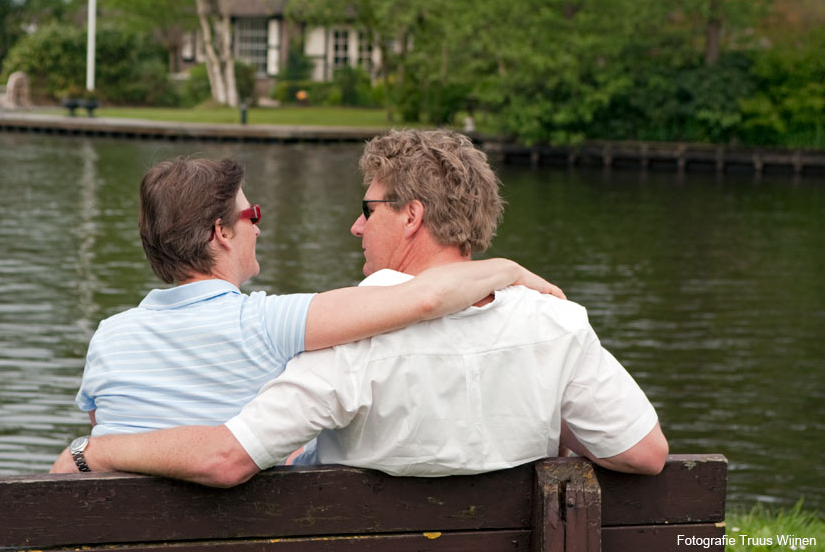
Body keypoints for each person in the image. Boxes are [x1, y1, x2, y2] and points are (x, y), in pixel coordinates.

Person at [53, 132, 667, 483]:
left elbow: (231, 454)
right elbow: (643, 454)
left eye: (367, 209)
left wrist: (97, 452)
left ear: (411, 215)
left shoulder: (351, 336)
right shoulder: (558, 323)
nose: (354, 226)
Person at [69, 156, 561, 441]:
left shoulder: (108, 338)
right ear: (220, 232)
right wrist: (508, 269)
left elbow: (105, 423)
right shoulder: (270, 324)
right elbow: (425, 299)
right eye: (252, 214)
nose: (258, 228)